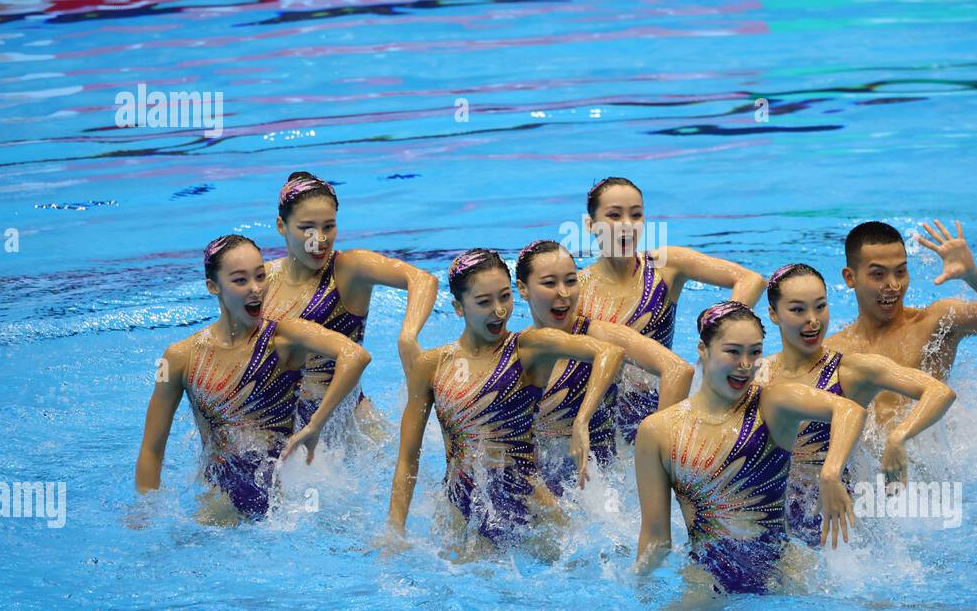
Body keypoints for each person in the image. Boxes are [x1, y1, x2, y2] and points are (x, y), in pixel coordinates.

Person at [386, 249, 623, 550]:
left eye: (505, 297)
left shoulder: (529, 348)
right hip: (461, 513)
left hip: (532, 513)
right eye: (484, 302)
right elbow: (408, 458)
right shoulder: (430, 366)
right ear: (458, 307)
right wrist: (394, 531)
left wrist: (582, 419)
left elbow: (609, 353)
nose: (499, 310)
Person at [635, 302, 867, 597]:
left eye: (755, 352)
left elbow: (849, 410)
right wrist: (639, 587)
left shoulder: (772, 403)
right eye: (733, 351)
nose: (746, 365)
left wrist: (831, 472)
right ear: (703, 350)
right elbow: (656, 540)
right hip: (709, 581)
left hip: (783, 575)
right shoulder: (658, 431)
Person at [135, 235, 370, 523]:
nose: (256, 289)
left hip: (283, 498)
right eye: (240, 280)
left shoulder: (285, 337)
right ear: (213, 286)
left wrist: (315, 424)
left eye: (260, 276)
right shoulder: (179, 358)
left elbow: (355, 355)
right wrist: (143, 517)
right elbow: (152, 449)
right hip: (221, 497)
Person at [757, 263, 956, 545]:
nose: (813, 320)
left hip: (834, 525)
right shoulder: (757, 374)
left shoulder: (851, 371)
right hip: (770, 515)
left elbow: (939, 392)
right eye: (798, 310)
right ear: (774, 314)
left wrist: (899, 436)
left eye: (820, 307)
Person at [575, 176, 767, 447]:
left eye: (636, 215)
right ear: (591, 225)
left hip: (666, 400)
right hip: (607, 425)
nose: (627, 225)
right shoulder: (576, 291)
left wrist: (720, 339)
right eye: (614, 215)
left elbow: (751, 280)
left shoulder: (665, 266)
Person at [262, 171, 437, 436]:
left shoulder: (348, 269)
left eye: (328, 226)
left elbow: (422, 279)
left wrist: (408, 336)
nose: (319, 239)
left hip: (351, 426)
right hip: (285, 425)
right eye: (307, 228)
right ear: (281, 226)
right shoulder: (260, 281)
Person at [515, 239, 693, 495]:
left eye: (570, 280)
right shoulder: (516, 352)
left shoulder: (600, 334)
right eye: (549, 283)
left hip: (604, 493)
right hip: (542, 494)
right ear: (523, 288)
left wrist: (658, 461)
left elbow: (678, 370)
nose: (563, 293)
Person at [828, 220, 977, 427]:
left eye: (900, 271)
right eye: (878, 274)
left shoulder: (933, 324)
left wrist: (972, 275)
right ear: (850, 277)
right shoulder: (832, 352)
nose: (894, 285)